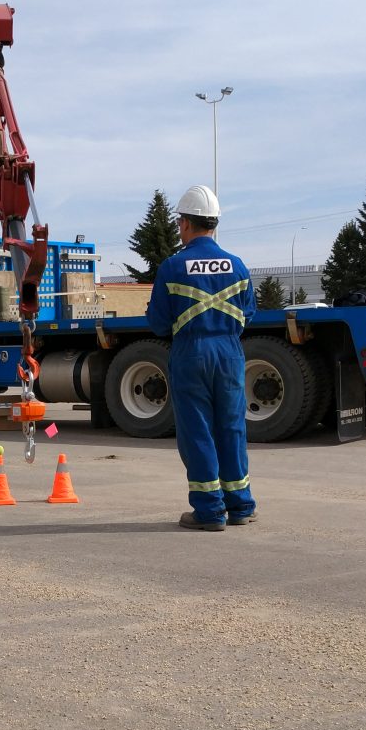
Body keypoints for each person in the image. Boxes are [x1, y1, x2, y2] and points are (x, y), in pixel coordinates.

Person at [146, 185, 257, 530]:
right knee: (231, 428)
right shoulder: (237, 266)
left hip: (191, 353)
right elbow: (249, 312)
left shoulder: (173, 267)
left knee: (198, 431)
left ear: (185, 224)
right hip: (229, 353)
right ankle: (240, 506)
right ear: (214, 223)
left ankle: (209, 511)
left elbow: (159, 322)